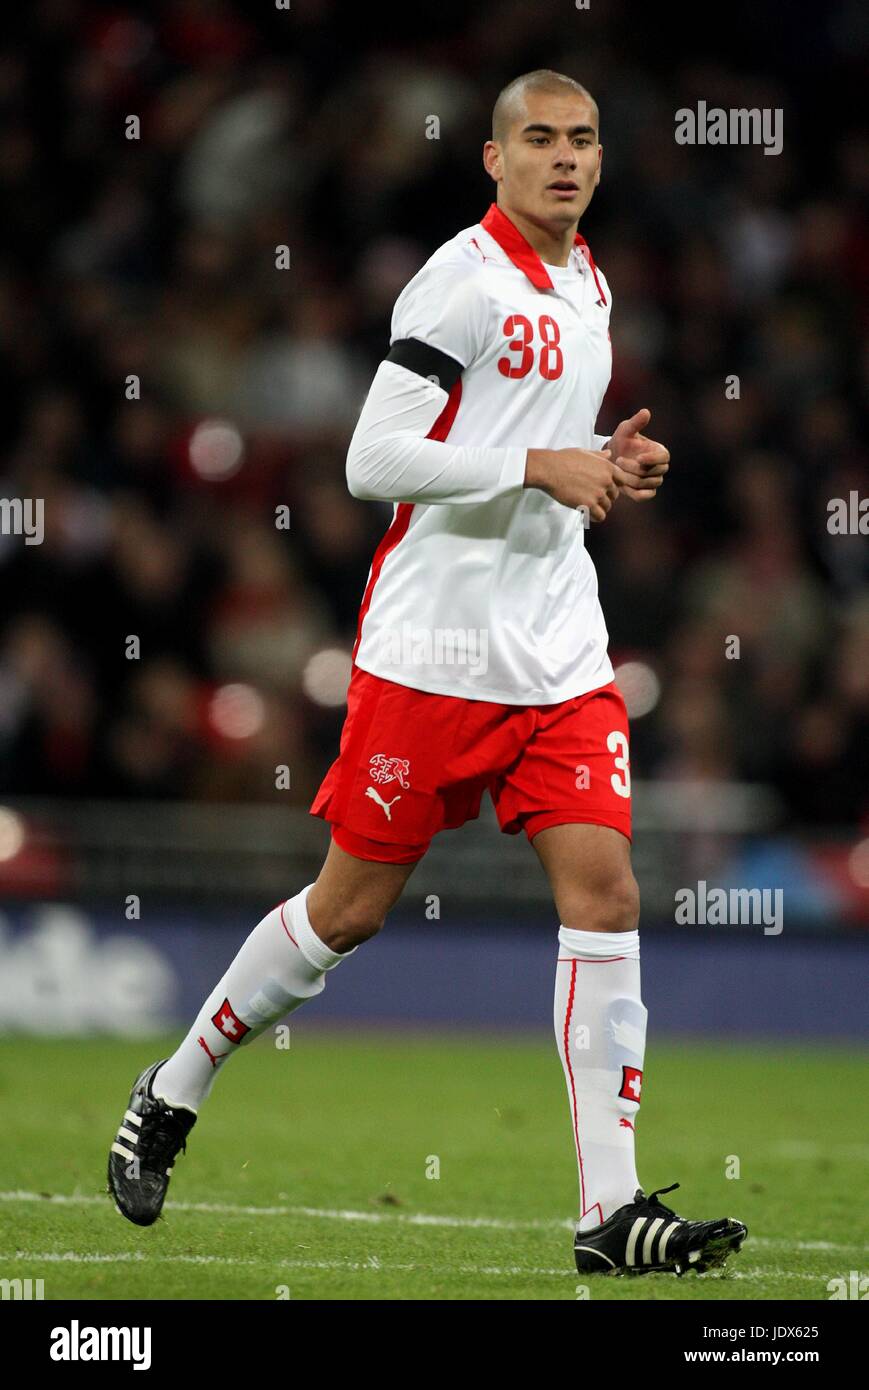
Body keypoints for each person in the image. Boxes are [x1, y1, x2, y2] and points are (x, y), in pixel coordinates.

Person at [108, 68, 746, 1278]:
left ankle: (605, 1215)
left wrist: (600, 465)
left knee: (604, 895)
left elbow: (542, 445)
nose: (565, 157)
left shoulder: (592, 283)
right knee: (344, 913)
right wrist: (534, 465)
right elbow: (372, 458)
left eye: (584, 140)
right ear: (493, 160)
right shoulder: (458, 280)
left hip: (556, 649)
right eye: (539, 140)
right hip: (431, 657)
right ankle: (174, 1084)